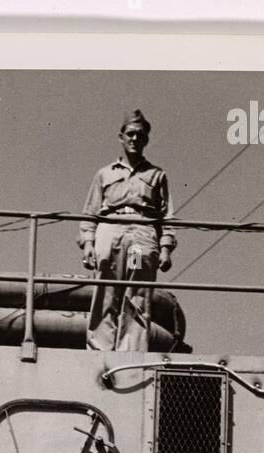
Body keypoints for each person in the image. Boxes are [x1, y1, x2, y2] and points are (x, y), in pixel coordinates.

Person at [78, 109, 176, 353]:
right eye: (130, 134)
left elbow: (167, 215)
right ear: (120, 137)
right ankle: (100, 350)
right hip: (110, 231)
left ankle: (130, 352)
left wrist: (165, 249)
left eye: (140, 135)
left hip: (140, 234)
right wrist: (88, 244)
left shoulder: (156, 175)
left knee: (136, 293)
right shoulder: (104, 174)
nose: (134, 139)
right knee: (106, 290)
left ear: (146, 140)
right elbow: (90, 211)